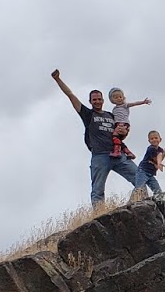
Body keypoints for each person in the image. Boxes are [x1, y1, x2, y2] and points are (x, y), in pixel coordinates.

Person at [53, 68, 138, 206]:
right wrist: (57, 79)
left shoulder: (111, 115)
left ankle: (133, 206)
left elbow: (121, 135)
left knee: (139, 178)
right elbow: (71, 95)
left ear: (103, 100)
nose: (97, 101)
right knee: (97, 190)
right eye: (94, 100)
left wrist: (124, 133)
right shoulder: (88, 114)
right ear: (90, 101)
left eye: (99, 99)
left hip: (118, 154)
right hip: (100, 156)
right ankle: (99, 215)